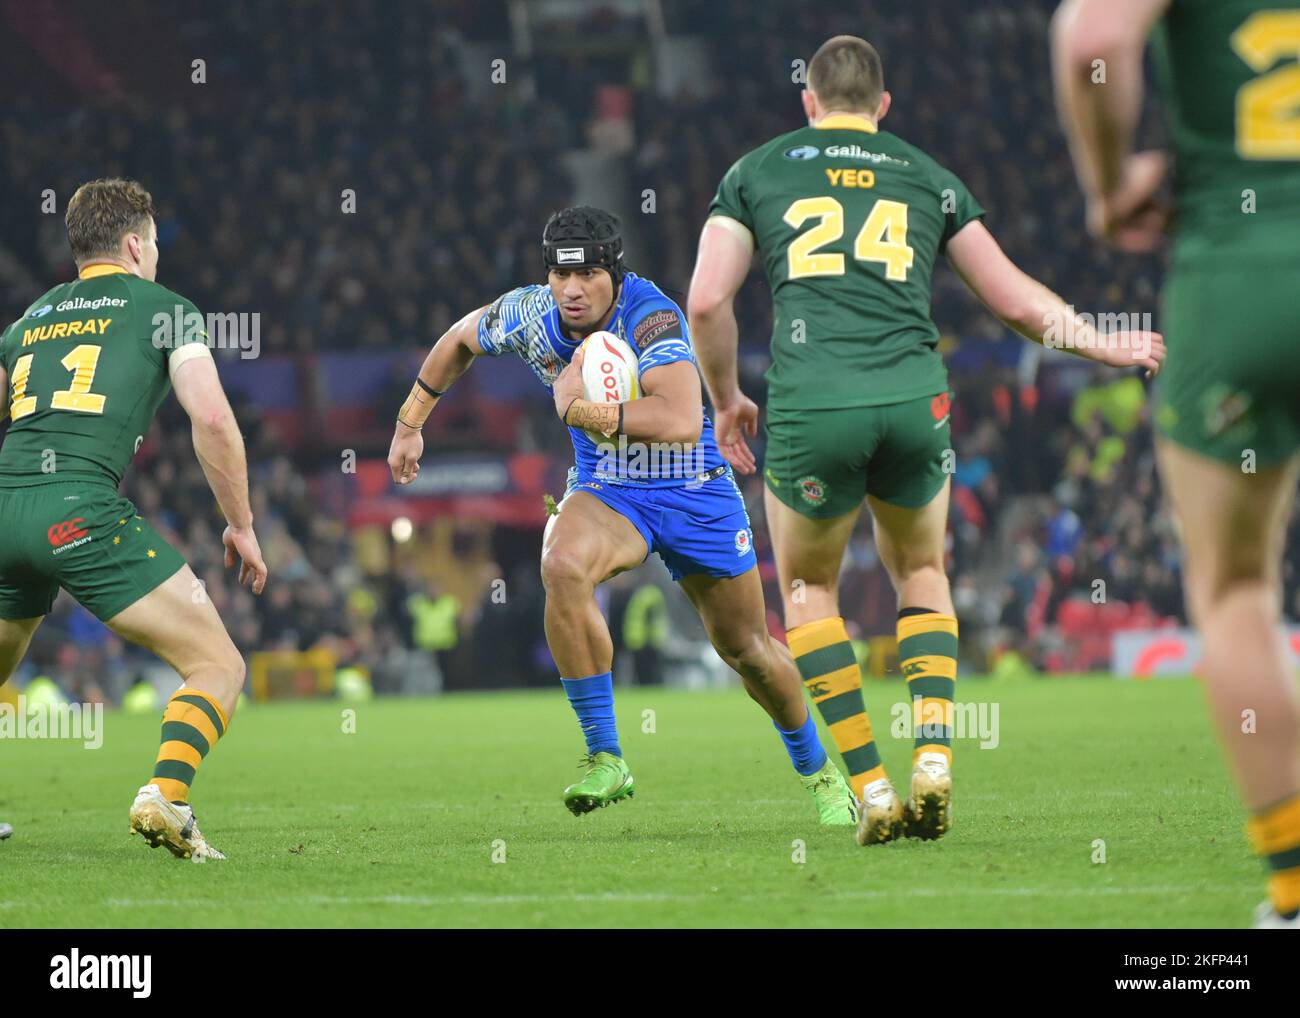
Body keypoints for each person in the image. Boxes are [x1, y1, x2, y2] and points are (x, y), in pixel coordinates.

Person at [688, 35, 1164, 844]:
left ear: (808, 101)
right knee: (922, 568)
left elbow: (704, 302)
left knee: (808, 594)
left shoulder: (756, 171)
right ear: (883, 106)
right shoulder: (924, 174)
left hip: (814, 405)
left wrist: (727, 398)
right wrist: (1102, 341)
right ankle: (935, 756)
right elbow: (1013, 300)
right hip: (915, 397)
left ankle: (872, 789)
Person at [387, 205, 858, 825]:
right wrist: (409, 422)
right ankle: (606, 754)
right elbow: (459, 340)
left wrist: (576, 411)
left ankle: (823, 774)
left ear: (614, 272)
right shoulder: (533, 313)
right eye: (560, 274)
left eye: (586, 277)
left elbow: (681, 421)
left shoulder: (654, 315)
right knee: (561, 564)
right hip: (610, 490)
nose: (571, 290)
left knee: (746, 651)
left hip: (695, 489)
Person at [1053, 0, 1300, 928]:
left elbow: (1092, 41)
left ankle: (1293, 891)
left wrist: (1109, 186)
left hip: (1241, 271)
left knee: (1236, 589)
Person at [0, 179, 267, 862]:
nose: (155, 258)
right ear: (132, 244)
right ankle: (166, 797)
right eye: (152, 246)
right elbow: (210, 417)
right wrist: (239, 522)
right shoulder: (164, 309)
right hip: (77, 509)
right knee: (216, 664)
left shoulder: (29, 321)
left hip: (5, 507)